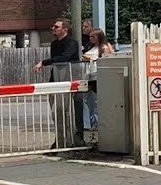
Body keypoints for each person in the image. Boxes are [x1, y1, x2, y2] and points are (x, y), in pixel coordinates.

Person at [34, 18, 84, 147]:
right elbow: (57, 61)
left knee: (65, 111)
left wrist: (44, 62)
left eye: (56, 27)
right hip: (56, 78)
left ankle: (72, 139)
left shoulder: (72, 43)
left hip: (69, 78)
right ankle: (60, 139)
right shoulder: (54, 44)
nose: (53, 29)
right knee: (56, 113)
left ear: (65, 29)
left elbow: (65, 58)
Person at [82, 28, 113, 131]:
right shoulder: (90, 47)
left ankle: (97, 124)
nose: (90, 39)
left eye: (93, 37)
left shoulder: (103, 47)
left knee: (96, 101)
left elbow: (106, 61)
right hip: (88, 75)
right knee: (86, 100)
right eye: (90, 36)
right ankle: (89, 124)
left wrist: (90, 59)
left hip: (97, 76)